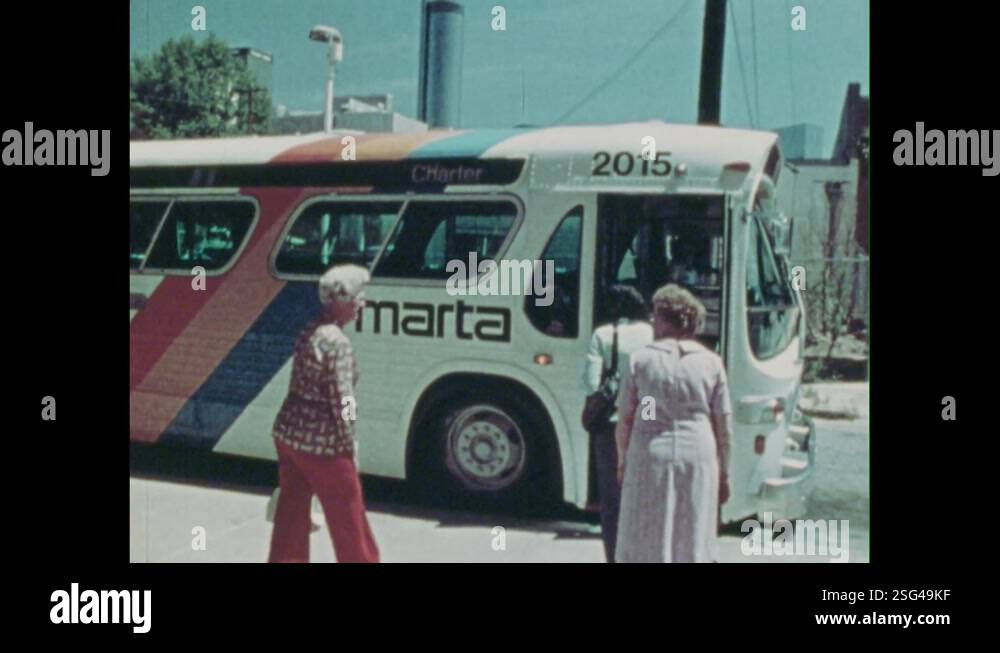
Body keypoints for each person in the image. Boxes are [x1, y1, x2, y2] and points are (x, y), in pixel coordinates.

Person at [267, 264, 380, 563]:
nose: (363, 303)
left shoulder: (309, 331)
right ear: (340, 299)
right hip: (324, 446)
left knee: (291, 517)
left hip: (289, 436)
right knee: (349, 520)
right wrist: (349, 443)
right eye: (359, 296)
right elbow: (344, 400)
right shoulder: (338, 343)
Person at [614, 284, 733, 563]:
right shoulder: (712, 363)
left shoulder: (641, 361)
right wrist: (725, 473)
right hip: (699, 455)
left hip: (651, 453)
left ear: (667, 319)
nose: (653, 321)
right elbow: (723, 426)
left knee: (646, 533)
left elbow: (629, 418)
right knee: (691, 530)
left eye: (656, 315)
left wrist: (622, 459)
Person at [584, 285, 653, 563]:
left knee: (613, 504)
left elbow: (590, 384)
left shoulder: (603, 335)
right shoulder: (655, 336)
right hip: (647, 424)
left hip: (612, 426)